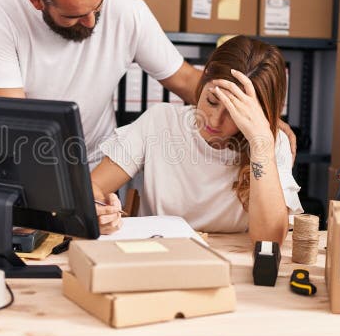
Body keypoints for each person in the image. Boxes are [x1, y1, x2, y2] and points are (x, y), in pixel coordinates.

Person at [0, 0, 296, 179]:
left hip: (94, 164)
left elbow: (186, 80)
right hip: (27, 161)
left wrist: (260, 115)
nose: (91, 22)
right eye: (75, 16)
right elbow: (17, 122)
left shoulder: (127, 9)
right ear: (36, 0)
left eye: (97, 7)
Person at [91, 36, 303, 238]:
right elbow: (92, 188)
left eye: (234, 113)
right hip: (162, 253)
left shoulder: (271, 142)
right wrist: (99, 211)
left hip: (230, 259)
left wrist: (260, 144)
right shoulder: (160, 122)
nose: (214, 121)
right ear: (204, 77)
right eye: (211, 101)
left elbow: (269, 240)